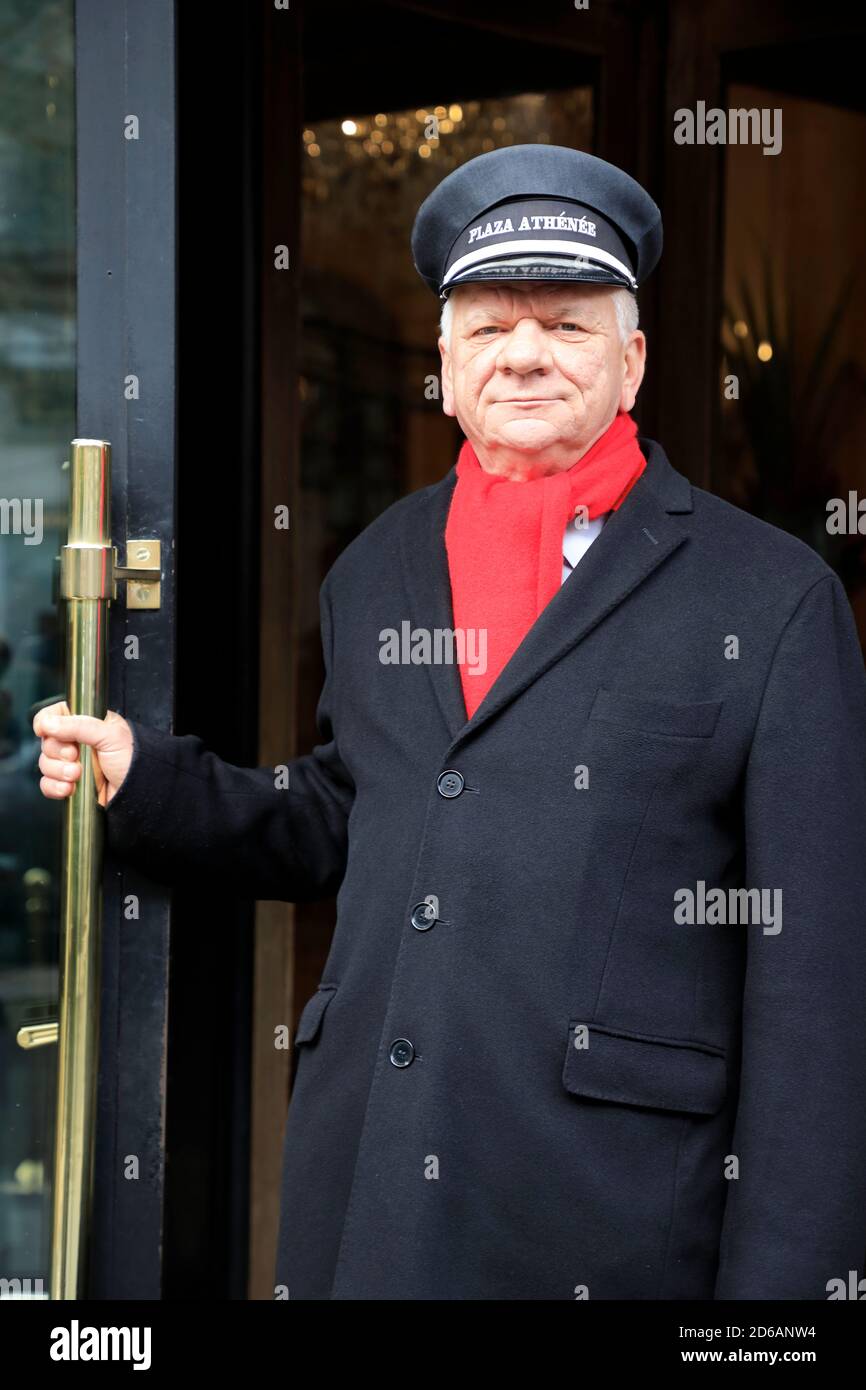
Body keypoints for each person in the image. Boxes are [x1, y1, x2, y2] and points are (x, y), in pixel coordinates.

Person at [34, 145, 866, 1300]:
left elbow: (814, 998)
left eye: (565, 324)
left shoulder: (770, 599)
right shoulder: (375, 569)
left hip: (610, 1225)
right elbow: (355, 807)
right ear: (442, 361)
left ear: (632, 361)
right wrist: (152, 780)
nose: (522, 352)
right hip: (367, 1186)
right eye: (486, 327)